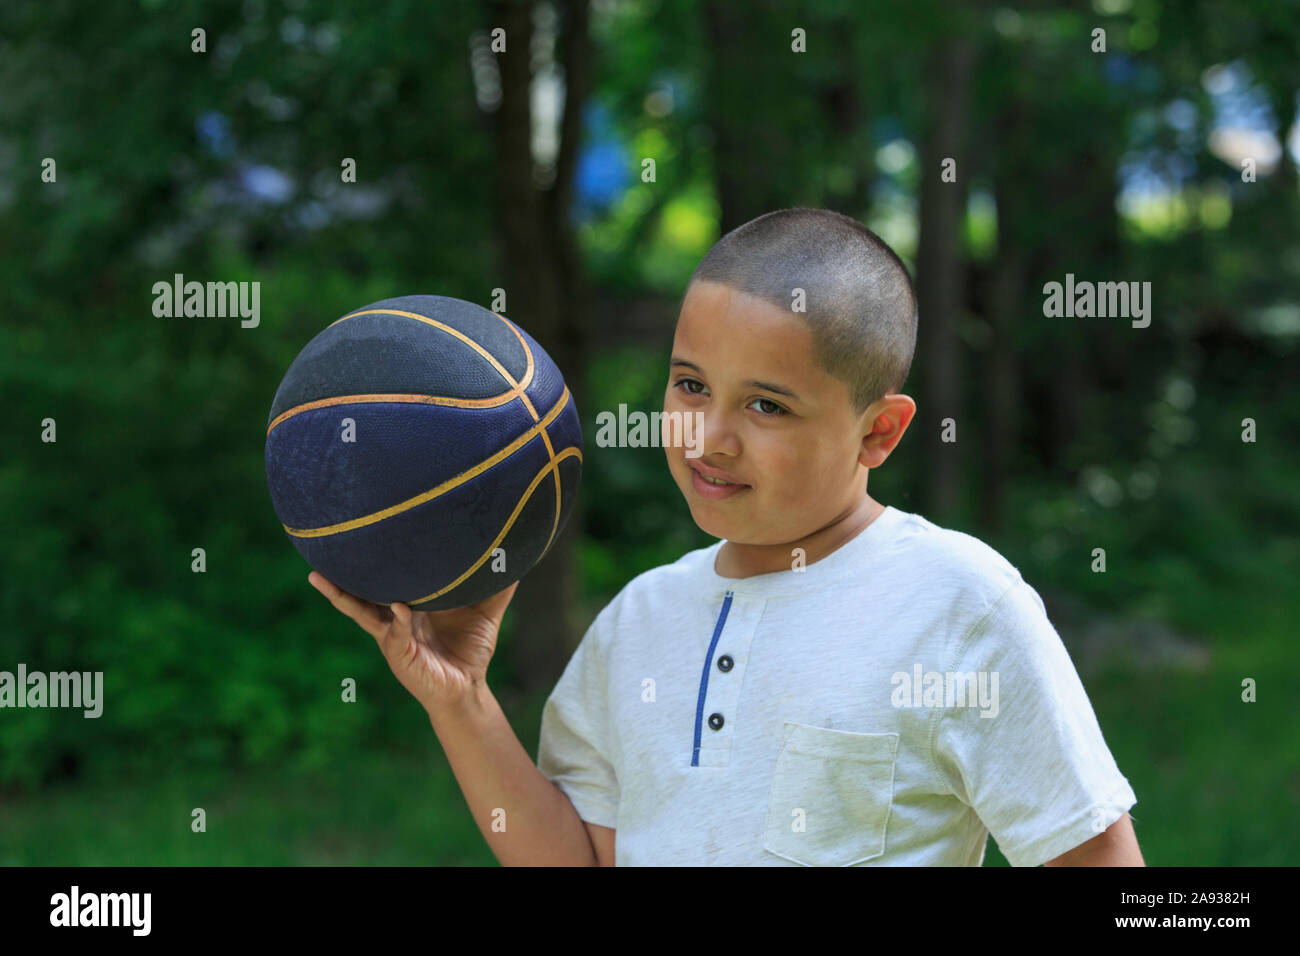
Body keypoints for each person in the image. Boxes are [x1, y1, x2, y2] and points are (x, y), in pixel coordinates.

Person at [309, 207, 1143, 867]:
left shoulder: (958, 605)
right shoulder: (640, 619)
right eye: (690, 386)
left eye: (766, 405)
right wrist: (461, 700)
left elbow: (1096, 857)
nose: (709, 438)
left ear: (879, 432)